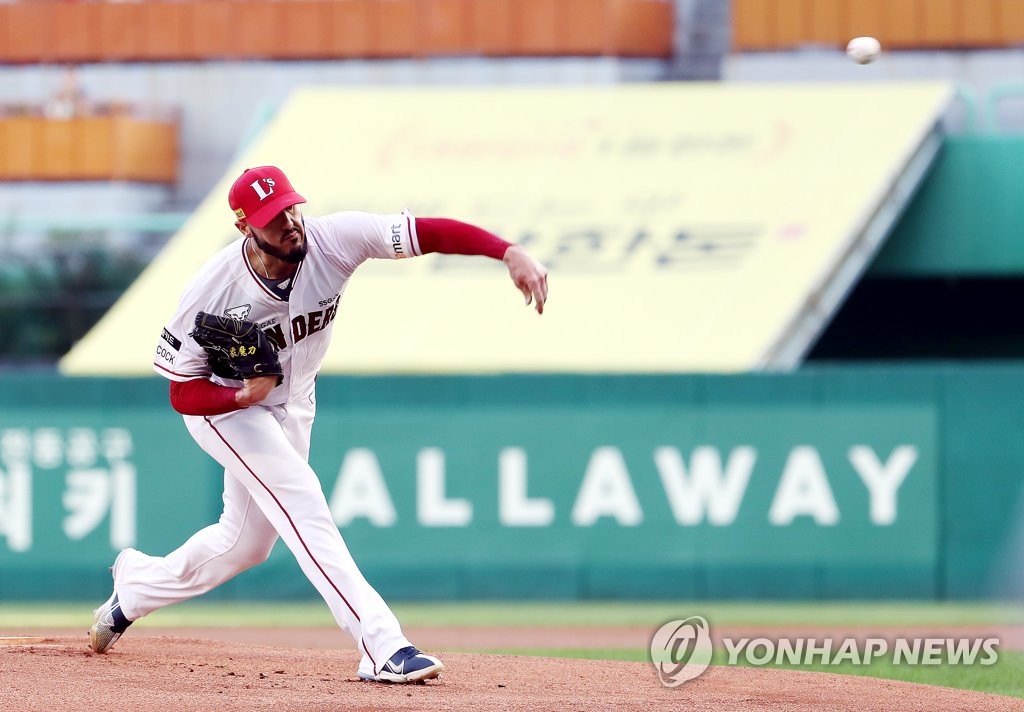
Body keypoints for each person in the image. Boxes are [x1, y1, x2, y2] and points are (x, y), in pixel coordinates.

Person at [89, 165, 548, 683]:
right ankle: (382, 645)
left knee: (245, 544)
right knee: (302, 498)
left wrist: (506, 249)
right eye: (271, 217)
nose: (288, 221)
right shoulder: (211, 290)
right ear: (246, 229)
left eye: (290, 206)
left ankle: (136, 588)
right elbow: (180, 392)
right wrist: (238, 395)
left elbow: (427, 232)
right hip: (229, 412)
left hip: (295, 399)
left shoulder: (333, 242)